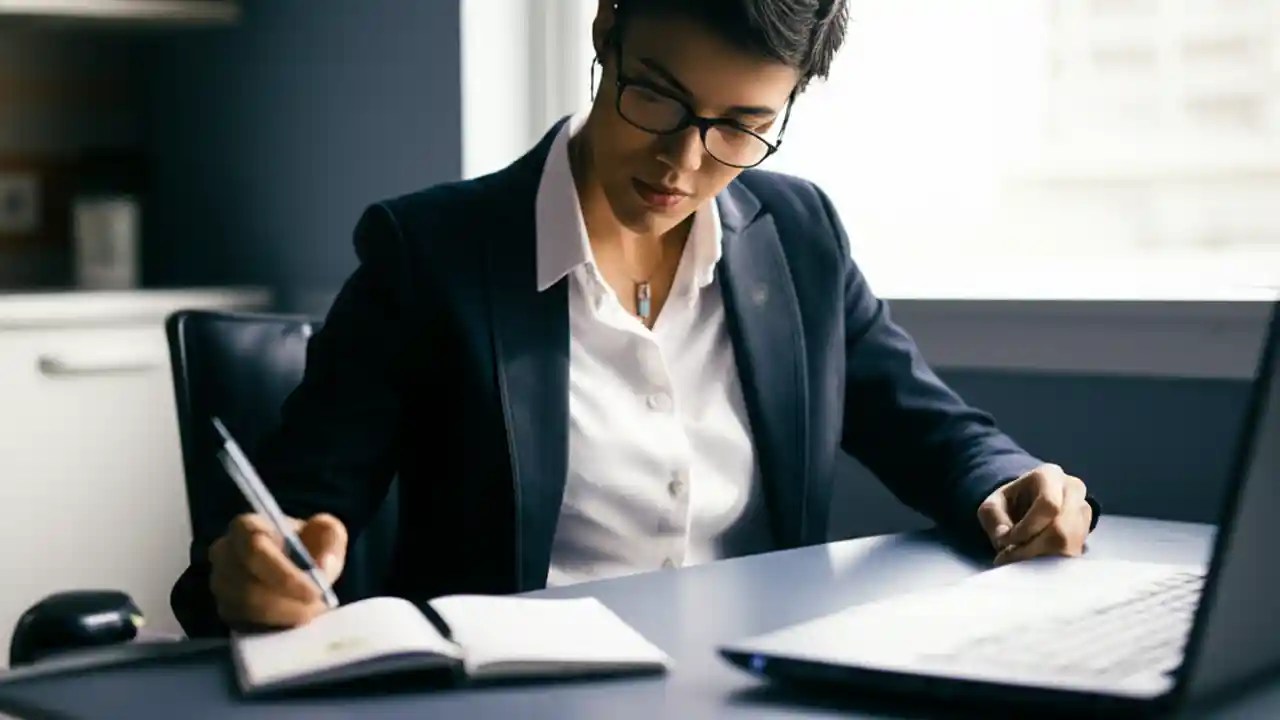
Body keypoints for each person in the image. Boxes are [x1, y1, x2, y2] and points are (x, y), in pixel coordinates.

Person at [173, 0, 1100, 635]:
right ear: (606, 26)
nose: (683, 164)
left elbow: (932, 432)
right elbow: (279, 523)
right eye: (655, 95)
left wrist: (1015, 486)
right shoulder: (430, 256)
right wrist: (256, 572)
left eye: (740, 125)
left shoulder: (799, 236)